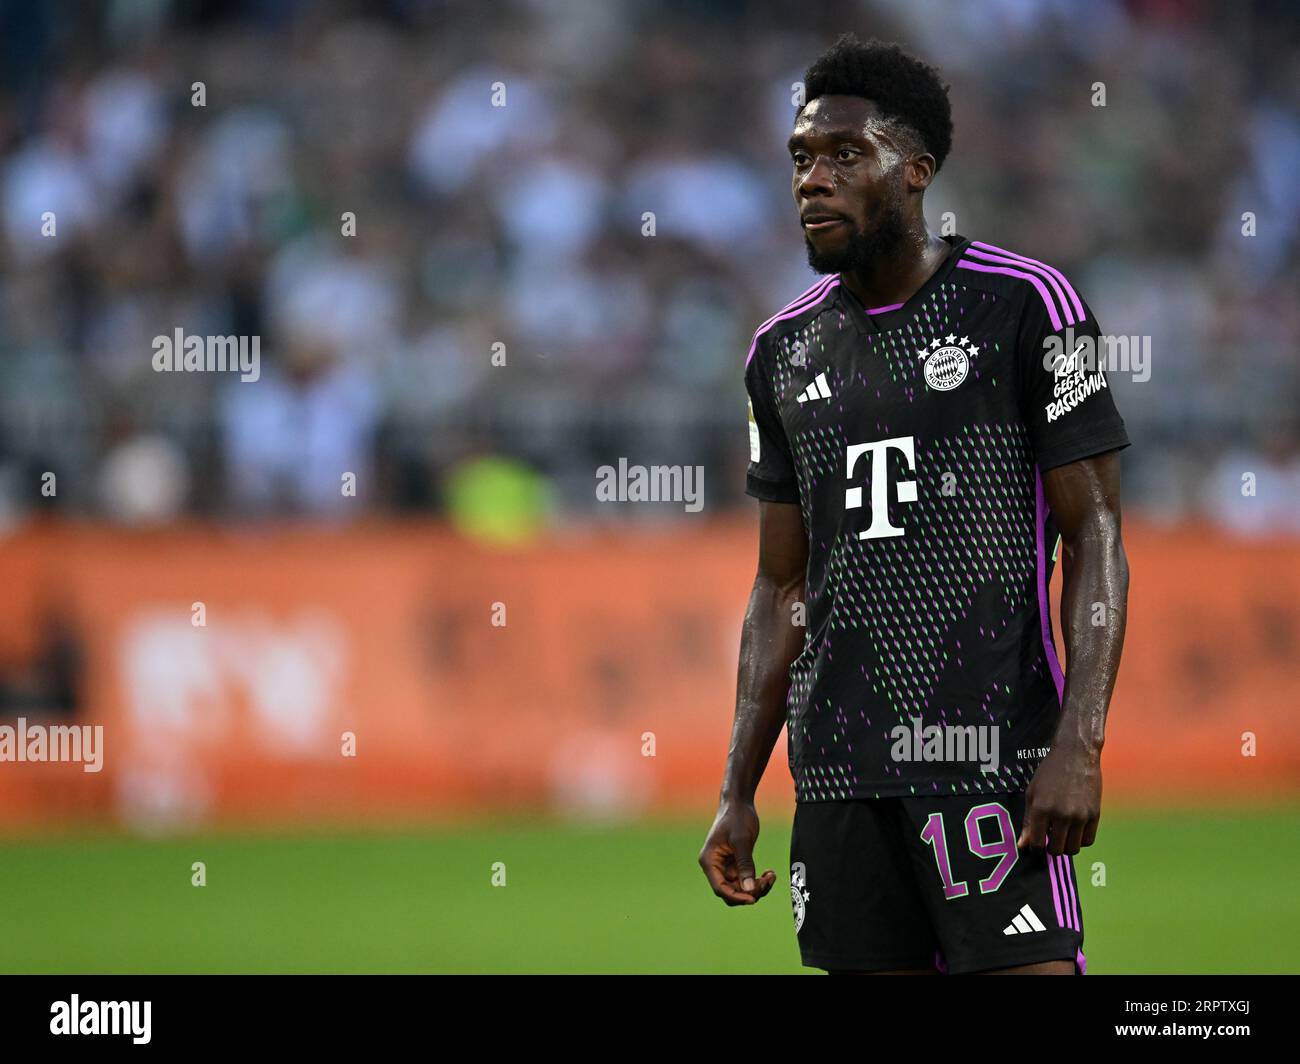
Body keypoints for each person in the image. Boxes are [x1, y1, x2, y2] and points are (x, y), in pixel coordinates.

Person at [699, 34, 1131, 975]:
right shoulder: (780, 353)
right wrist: (739, 786)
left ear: (917, 172)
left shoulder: (1028, 305)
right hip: (841, 774)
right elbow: (779, 588)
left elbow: (1093, 535)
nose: (814, 180)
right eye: (802, 159)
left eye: (846, 156)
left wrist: (1080, 742)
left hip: (992, 754)